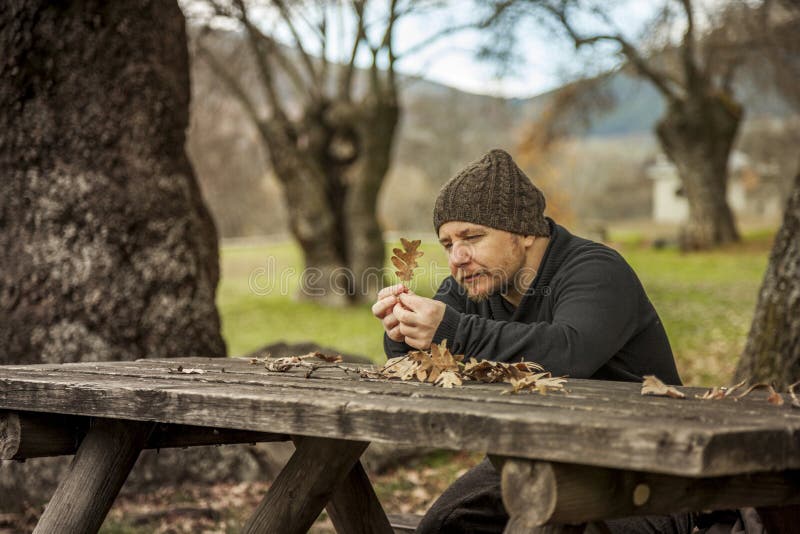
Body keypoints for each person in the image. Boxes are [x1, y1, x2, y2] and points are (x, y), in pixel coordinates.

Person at [371, 148, 692, 533]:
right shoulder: (475, 283)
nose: (457, 257)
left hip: (648, 469)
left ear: (525, 232)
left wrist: (451, 330)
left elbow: (569, 351)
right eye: (447, 243)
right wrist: (402, 332)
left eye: (472, 236)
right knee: (445, 525)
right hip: (533, 458)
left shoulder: (596, 271)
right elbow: (433, 349)